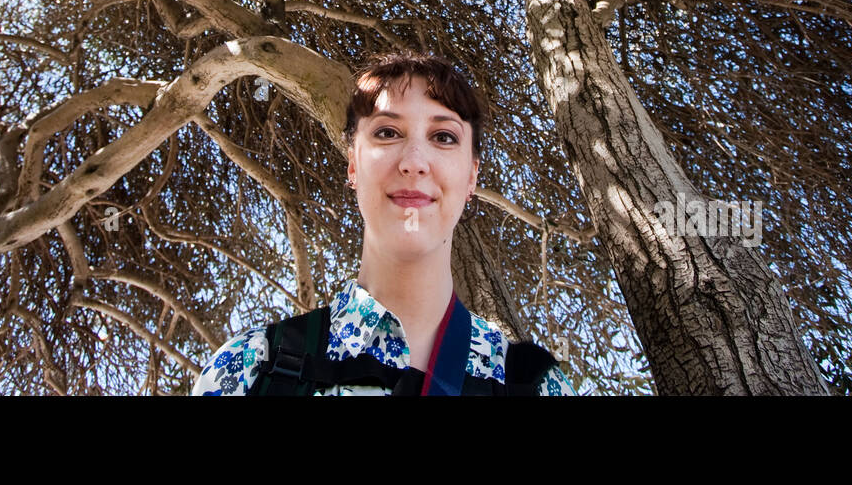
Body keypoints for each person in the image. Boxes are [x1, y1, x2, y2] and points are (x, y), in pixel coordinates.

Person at [193, 51, 577, 395]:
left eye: (443, 137)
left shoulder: (535, 385)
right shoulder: (251, 368)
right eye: (387, 132)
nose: (413, 161)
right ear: (353, 165)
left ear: (472, 177)